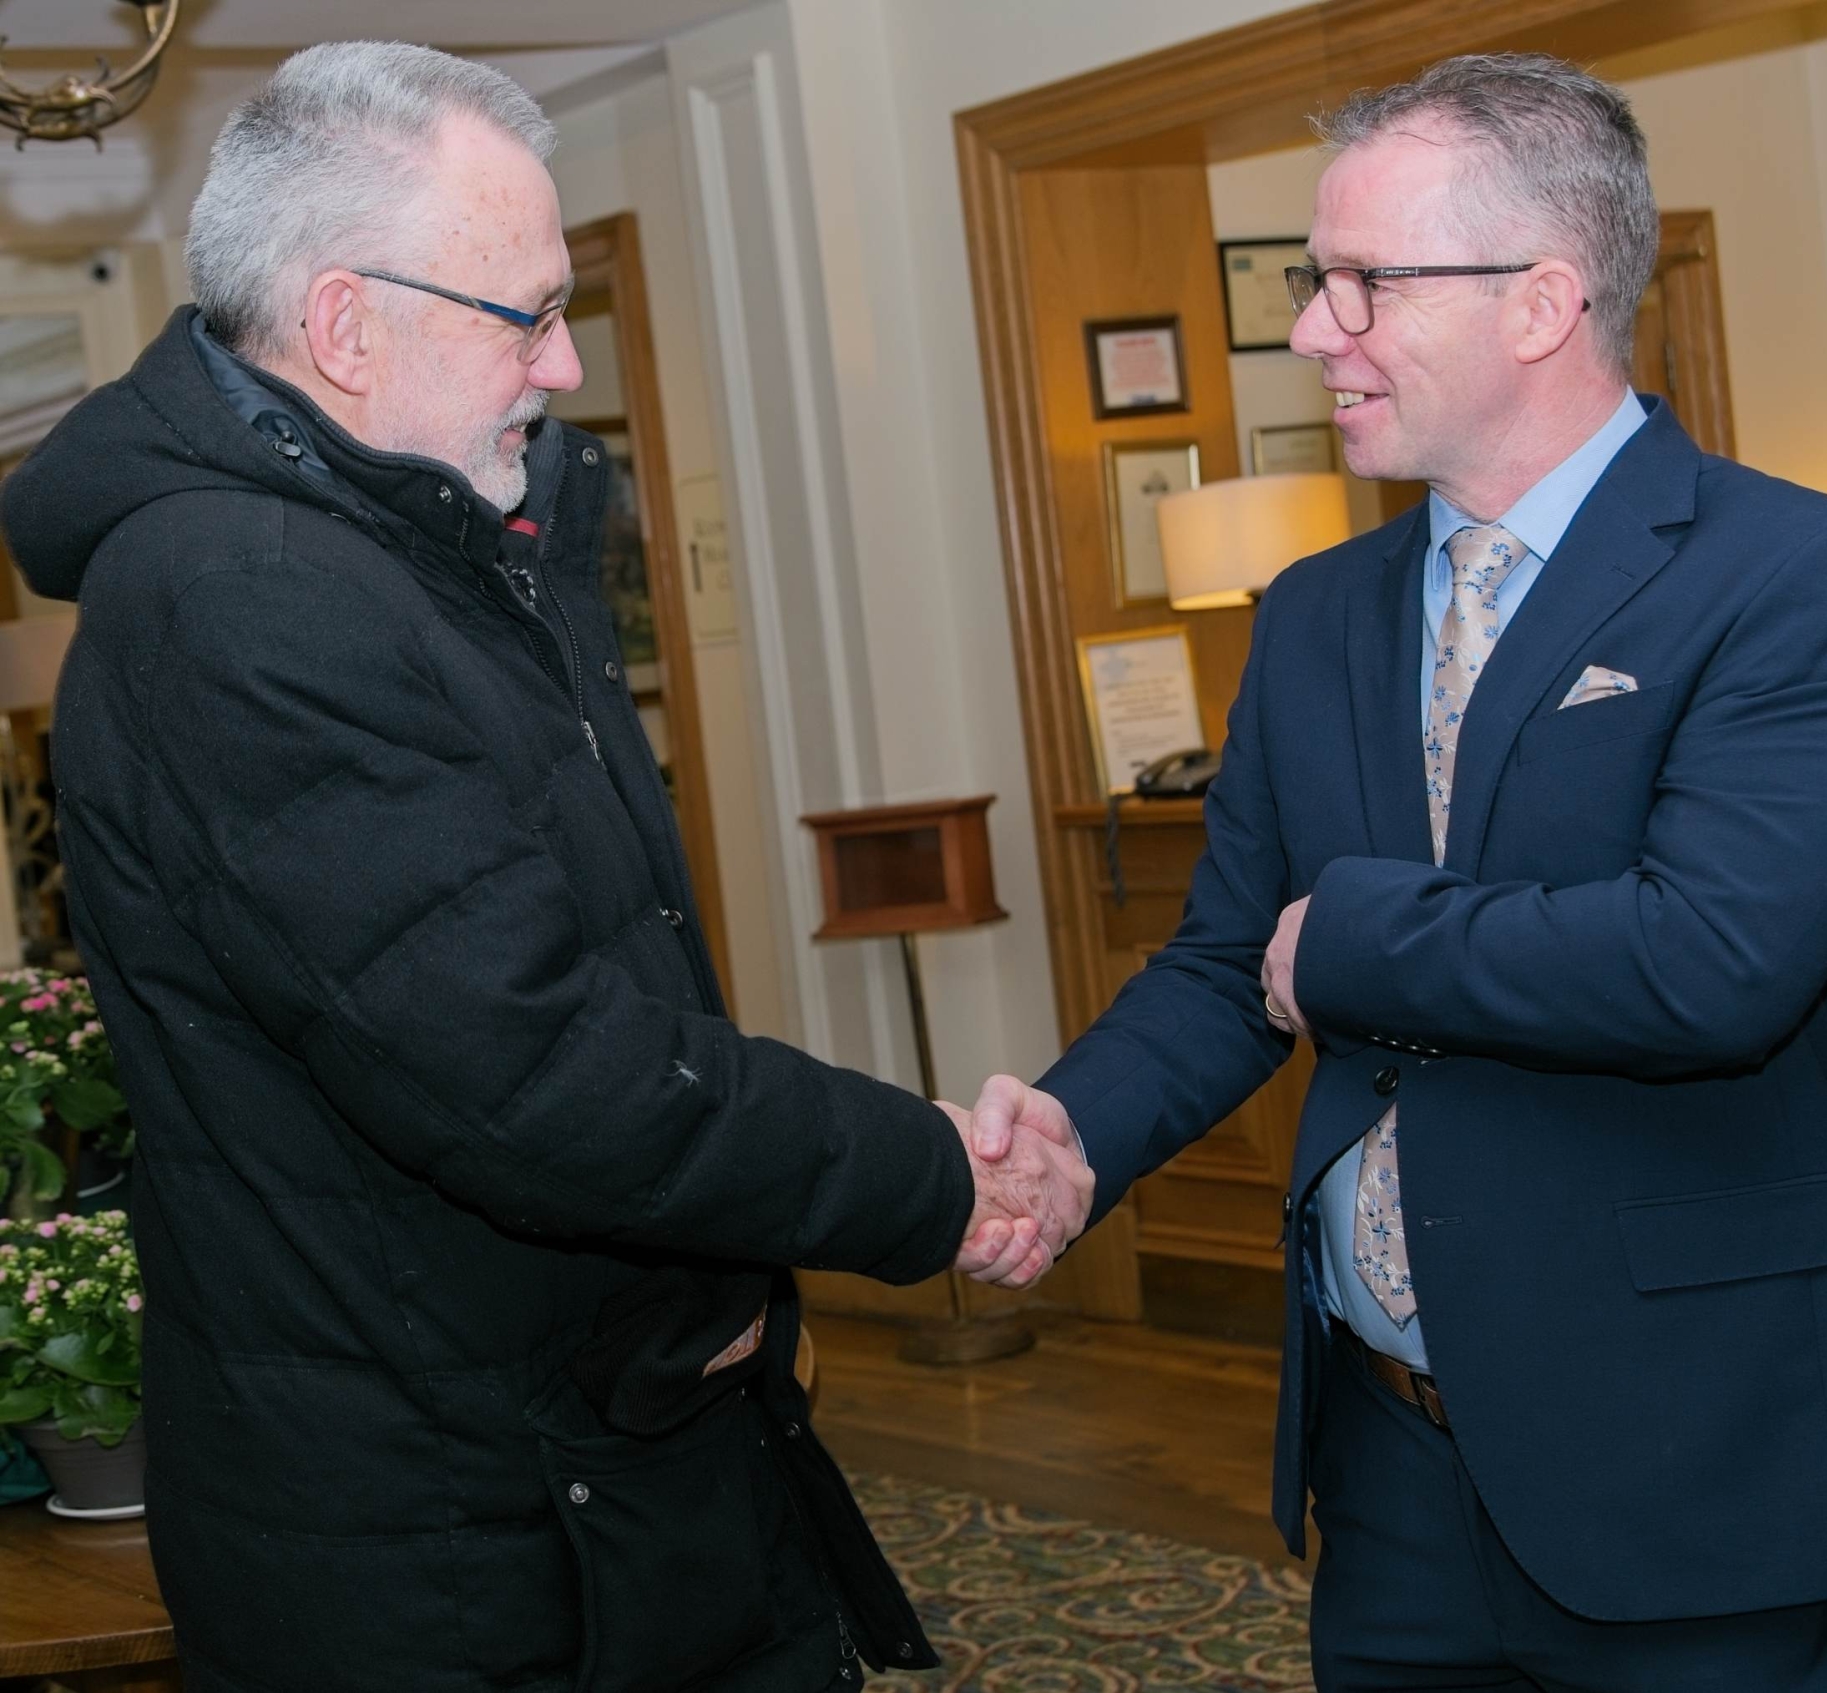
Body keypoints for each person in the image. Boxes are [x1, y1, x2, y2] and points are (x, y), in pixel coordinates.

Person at [1, 43, 1089, 1693]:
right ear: (349, 327)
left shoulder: (422, 542)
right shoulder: (249, 599)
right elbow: (536, 1072)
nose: (568, 364)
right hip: (447, 1537)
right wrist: (932, 1173)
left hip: (571, 1464)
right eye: (528, 313)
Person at [959, 52, 1827, 1691]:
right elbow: (1223, 961)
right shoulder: (1317, 611)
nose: (1312, 328)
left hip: (1701, 1458)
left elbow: (1710, 961)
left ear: (1543, 300)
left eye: (1357, 283)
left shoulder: (1810, 574)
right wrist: (1071, 1139)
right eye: (1311, 282)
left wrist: (1350, 936)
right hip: (1391, 1466)